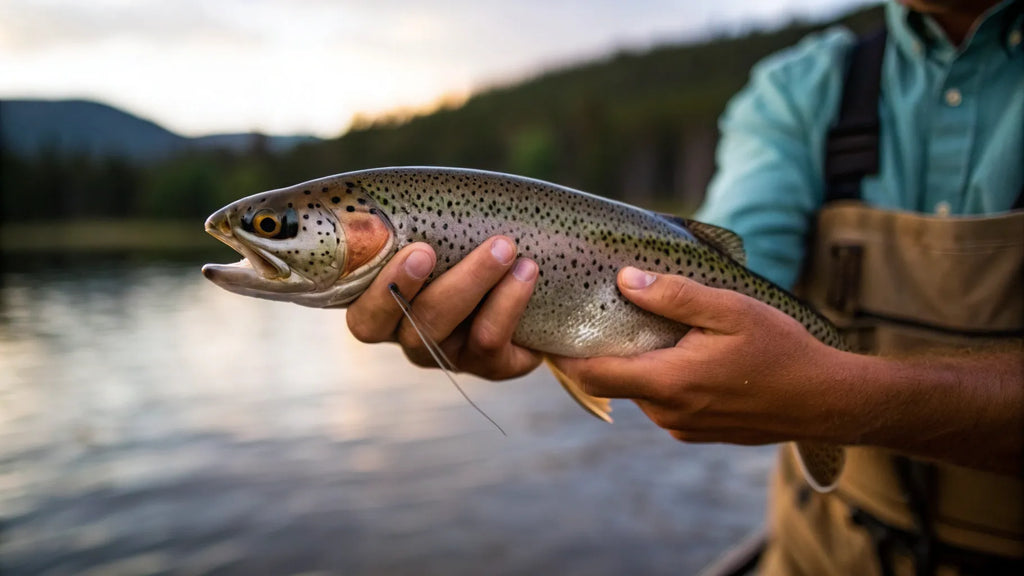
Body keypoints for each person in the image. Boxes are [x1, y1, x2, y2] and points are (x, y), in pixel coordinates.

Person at [345, 0, 1024, 573]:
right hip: (824, 549)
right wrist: (565, 313)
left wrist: (841, 396)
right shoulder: (802, 88)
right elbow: (729, 258)